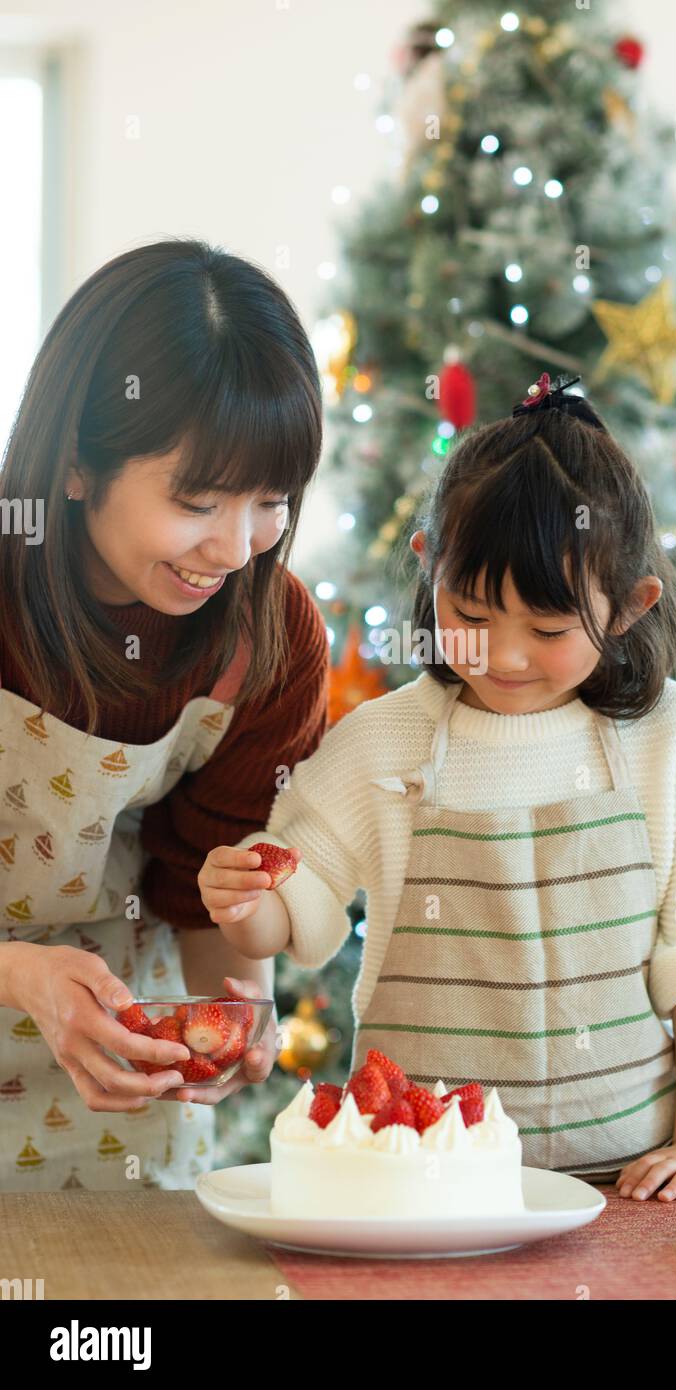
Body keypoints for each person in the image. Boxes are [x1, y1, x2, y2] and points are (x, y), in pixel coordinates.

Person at [199, 371, 676, 1202]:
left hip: (626, 1184)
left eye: (546, 629)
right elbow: (299, 896)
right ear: (426, 564)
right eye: (469, 614)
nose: (503, 656)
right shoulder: (384, 739)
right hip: (417, 1186)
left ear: (628, 605)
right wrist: (248, 900)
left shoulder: (669, 737)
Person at [0, 238, 329, 1190]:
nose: (235, 547)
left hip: (116, 1077)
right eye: (197, 501)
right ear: (75, 468)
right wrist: (22, 976)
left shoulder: (269, 636)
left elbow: (204, 883)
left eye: (272, 501)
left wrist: (240, 1007)